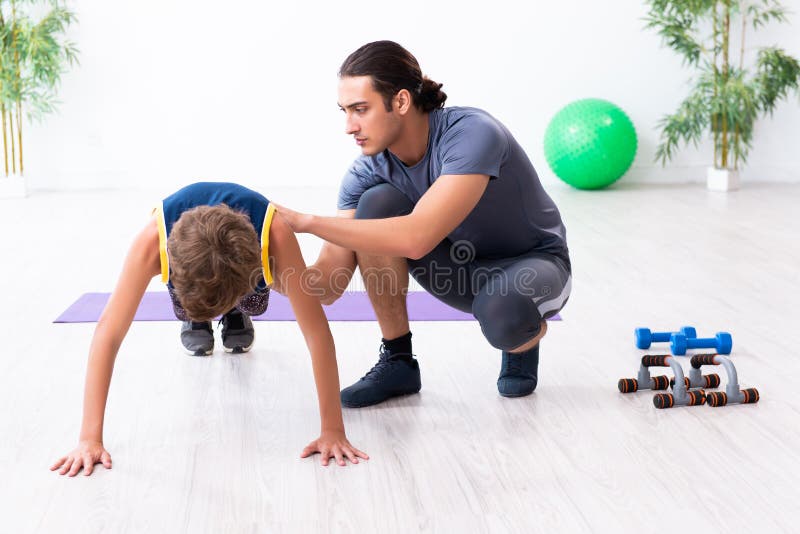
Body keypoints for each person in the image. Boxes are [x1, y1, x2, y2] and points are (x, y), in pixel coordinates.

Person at [274, 41, 572, 408]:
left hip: (536, 265)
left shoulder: (472, 134)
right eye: (345, 111)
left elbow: (416, 238)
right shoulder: (366, 172)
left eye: (360, 110)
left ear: (400, 102)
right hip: (459, 273)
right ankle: (398, 361)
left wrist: (306, 221)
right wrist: (269, 270)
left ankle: (521, 337)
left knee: (503, 314)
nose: (349, 126)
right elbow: (331, 282)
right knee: (377, 202)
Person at [51, 182, 368, 476]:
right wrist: (89, 438)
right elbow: (109, 333)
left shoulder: (276, 235)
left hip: (248, 259)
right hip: (194, 266)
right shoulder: (152, 242)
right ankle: (197, 315)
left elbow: (316, 333)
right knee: (189, 308)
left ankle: (235, 312)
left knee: (254, 305)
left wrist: (333, 430)